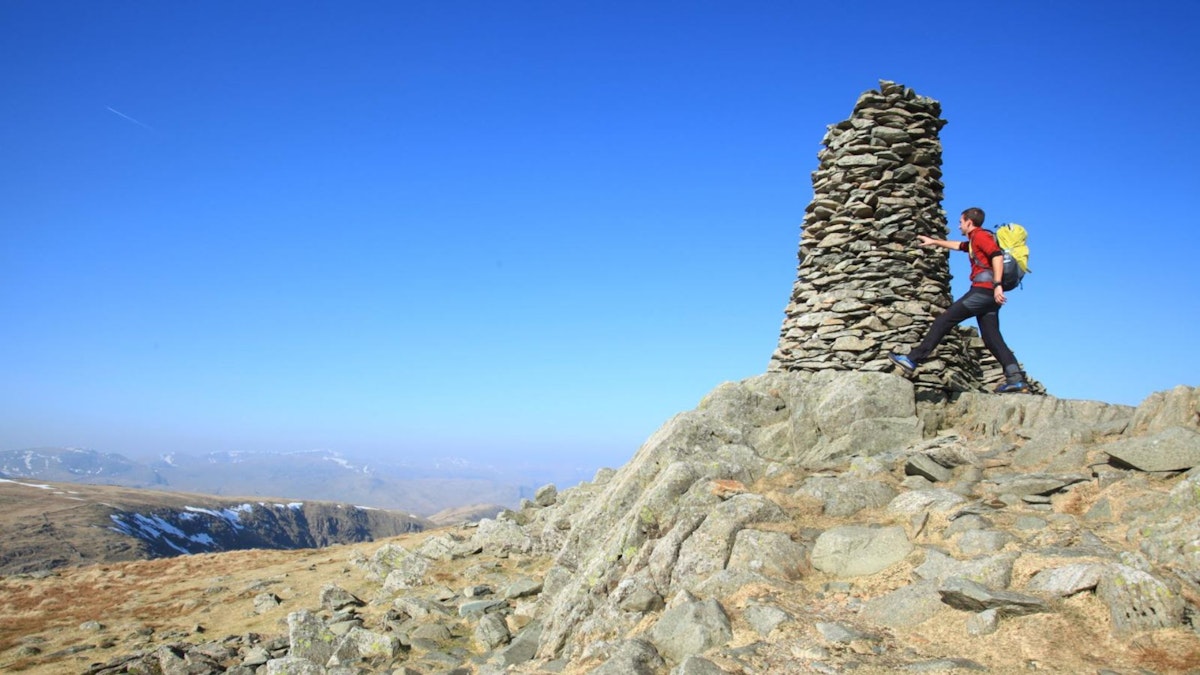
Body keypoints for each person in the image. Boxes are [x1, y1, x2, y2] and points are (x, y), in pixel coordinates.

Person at [888, 207, 1029, 393]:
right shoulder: (974, 240)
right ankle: (1016, 379)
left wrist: (997, 285)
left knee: (944, 320)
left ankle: (912, 359)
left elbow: (996, 256)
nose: (959, 225)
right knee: (992, 338)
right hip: (989, 296)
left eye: (961, 222)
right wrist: (933, 242)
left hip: (983, 291)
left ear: (969, 222)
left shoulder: (980, 236)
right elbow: (959, 246)